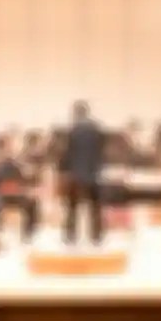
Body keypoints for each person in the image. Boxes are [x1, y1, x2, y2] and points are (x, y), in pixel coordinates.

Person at [59, 100, 106, 247]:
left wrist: (64, 170)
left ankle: (70, 237)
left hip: (75, 175)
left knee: (72, 208)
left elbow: (68, 153)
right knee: (95, 207)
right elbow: (101, 152)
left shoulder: (73, 131)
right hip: (93, 174)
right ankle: (96, 237)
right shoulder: (96, 129)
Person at [0, 136, 40, 244]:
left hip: (15, 193)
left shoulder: (15, 163)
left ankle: (28, 234)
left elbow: (23, 179)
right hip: (0, 194)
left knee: (32, 202)